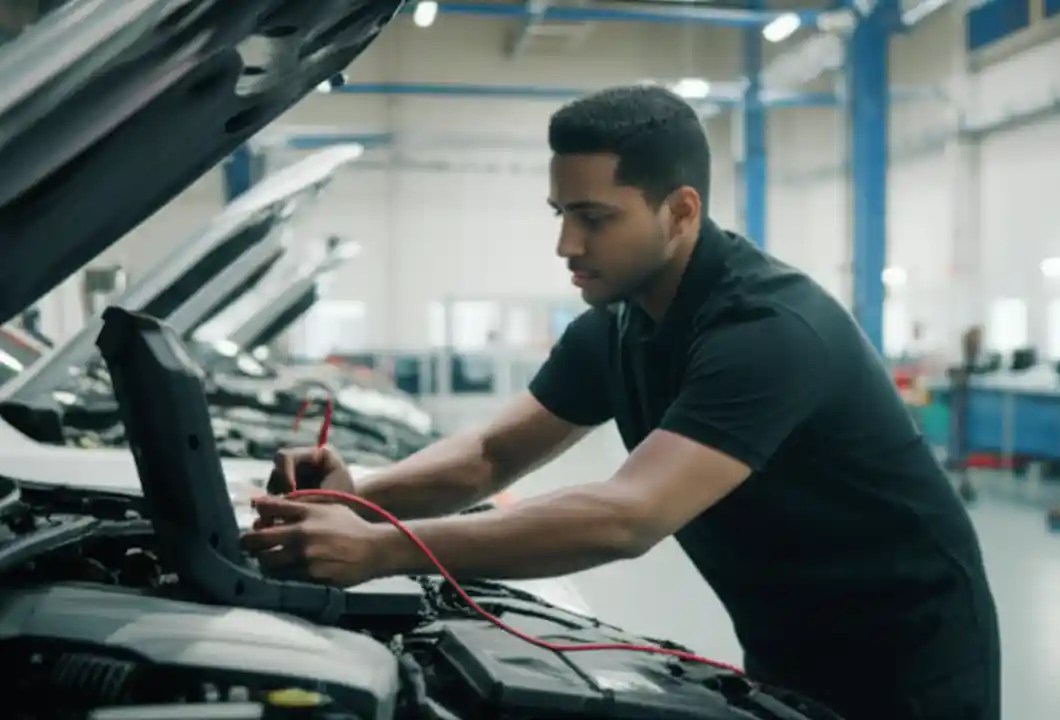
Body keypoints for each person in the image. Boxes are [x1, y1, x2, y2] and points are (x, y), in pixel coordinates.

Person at [242, 85, 1001, 719]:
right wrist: (362, 499)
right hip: (788, 650)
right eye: (560, 213)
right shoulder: (618, 325)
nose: (567, 244)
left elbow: (630, 515)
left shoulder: (767, 332)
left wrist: (383, 548)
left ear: (681, 212)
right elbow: (491, 455)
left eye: (595, 217)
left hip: (910, 668)